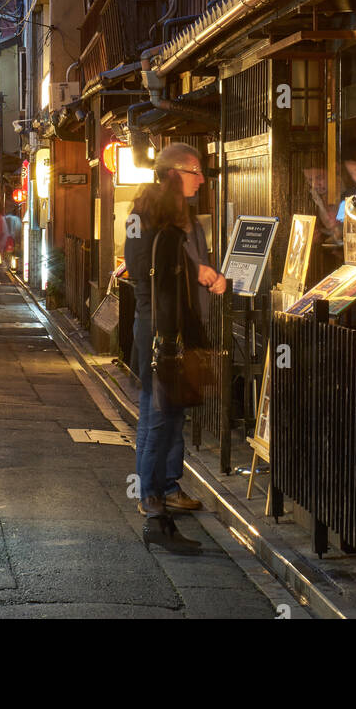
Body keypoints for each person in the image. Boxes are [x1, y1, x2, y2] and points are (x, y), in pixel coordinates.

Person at [124, 143, 227, 553]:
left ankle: (157, 505)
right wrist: (173, 343)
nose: (202, 180)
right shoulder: (156, 223)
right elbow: (154, 280)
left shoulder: (156, 220)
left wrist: (194, 271)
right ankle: (153, 509)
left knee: (161, 421)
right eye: (196, 172)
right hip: (160, 336)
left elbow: (161, 273)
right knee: (157, 421)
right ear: (175, 175)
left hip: (160, 334)